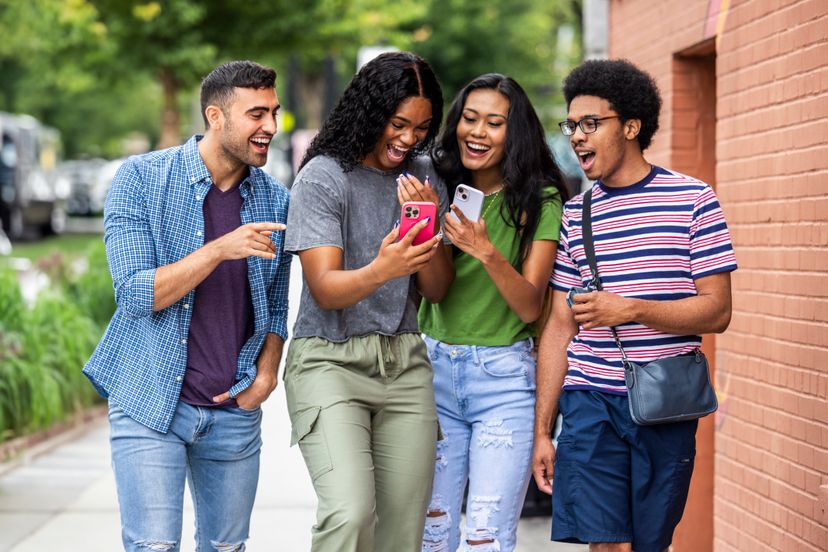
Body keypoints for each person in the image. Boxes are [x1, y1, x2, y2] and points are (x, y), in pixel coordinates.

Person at [83, 60, 290, 551]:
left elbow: (277, 304)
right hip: (151, 401)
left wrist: (266, 374)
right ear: (215, 116)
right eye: (256, 114)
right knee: (153, 546)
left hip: (233, 408)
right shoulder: (140, 180)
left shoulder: (276, 200)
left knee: (226, 548)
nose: (271, 128)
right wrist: (221, 248)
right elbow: (136, 293)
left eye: (275, 113)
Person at [532, 59, 737, 552]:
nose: (577, 137)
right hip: (589, 401)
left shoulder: (692, 199)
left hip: (663, 404)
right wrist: (544, 430)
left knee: (649, 544)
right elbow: (560, 326)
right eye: (571, 125)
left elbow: (717, 311)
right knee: (607, 544)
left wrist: (632, 310)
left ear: (630, 126)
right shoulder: (576, 212)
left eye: (590, 124)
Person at [283, 51, 451, 552]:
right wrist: (383, 267)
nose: (409, 138)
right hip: (329, 362)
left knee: (402, 532)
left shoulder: (423, 175)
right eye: (398, 123)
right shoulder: (324, 177)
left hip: (404, 364)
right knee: (351, 514)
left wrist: (425, 218)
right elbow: (325, 288)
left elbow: (438, 290)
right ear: (371, 113)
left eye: (422, 127)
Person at [417, 74, 568, 552]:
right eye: (470, 118)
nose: (477, 132)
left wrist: (485, 251)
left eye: (494, 123)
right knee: (433, 533)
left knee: (485, 537)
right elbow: (435, 293)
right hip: (434, 372)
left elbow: (530, 303)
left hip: (503, 382)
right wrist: (426, 228)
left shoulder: (541, 200)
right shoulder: (437, 184)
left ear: (515, 132)